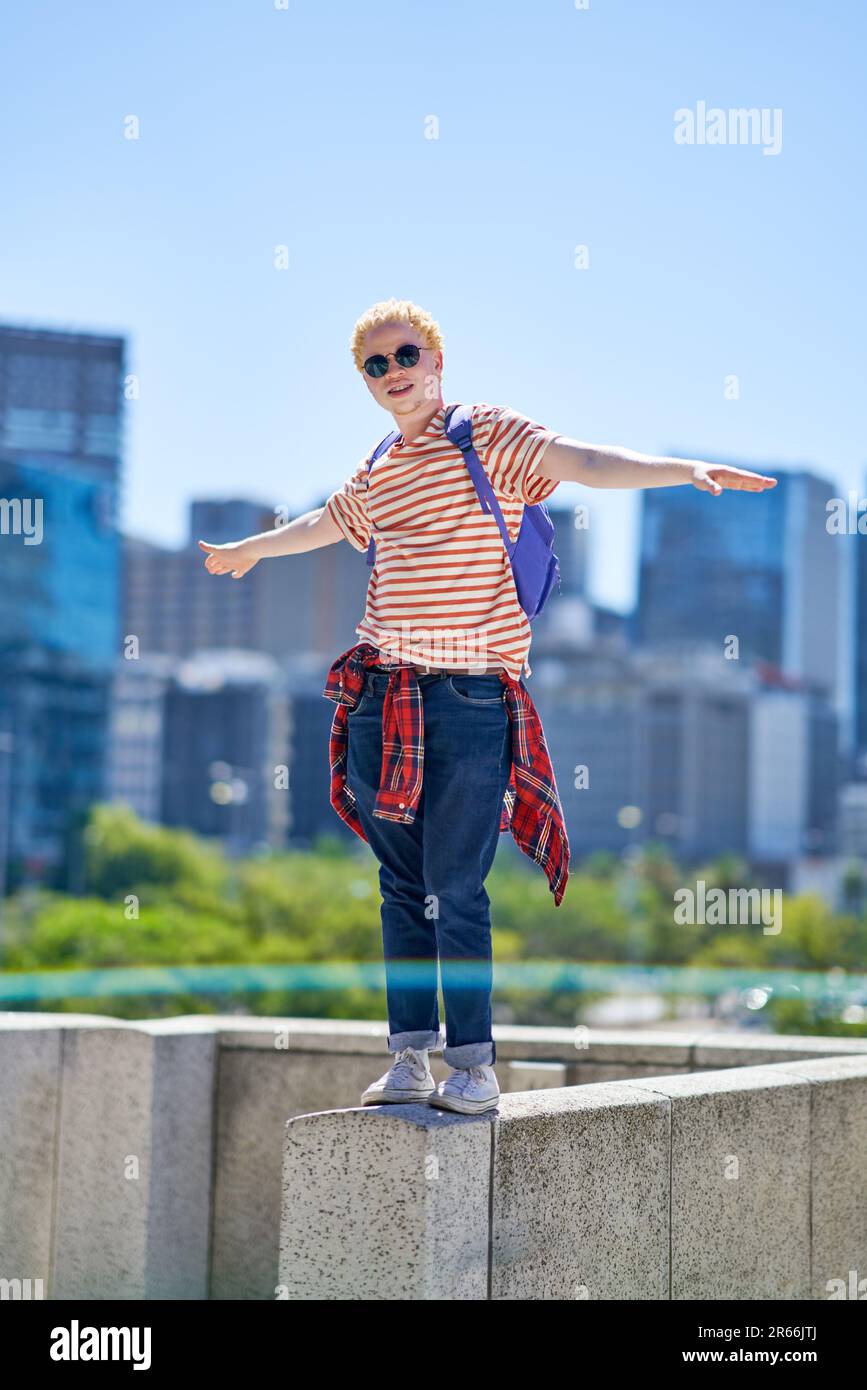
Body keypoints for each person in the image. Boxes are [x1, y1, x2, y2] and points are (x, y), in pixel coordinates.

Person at [199, 297, 777, 1115]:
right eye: (375, 365)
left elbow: (582, 460)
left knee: (455, 885)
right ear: (363, 381)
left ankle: (472, 1069)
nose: (392, 374)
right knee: (399, 889)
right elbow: (327, 523)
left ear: (435, 361)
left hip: (470, 695)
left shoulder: (487, 436)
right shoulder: (378, 468)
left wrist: (680, 469)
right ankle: (409, 1057)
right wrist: (253, 548)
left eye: (404, 357)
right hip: (382, 696)